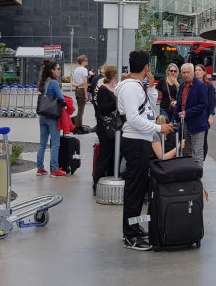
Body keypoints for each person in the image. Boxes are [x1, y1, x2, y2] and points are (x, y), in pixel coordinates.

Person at [115, 50, 173, 251]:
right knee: (134, 190)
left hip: (142, 141)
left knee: (139, 191)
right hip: (135, 142)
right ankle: (130, 235)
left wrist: (151, 87)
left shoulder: (139, 86)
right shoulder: (130, 88)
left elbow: (148, 108)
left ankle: (134, 227)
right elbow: (133, 118)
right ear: (146, 67)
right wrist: (159, 128)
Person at [172, 63, 208, 168]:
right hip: (184, 125)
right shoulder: (182, 85)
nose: (186, 74)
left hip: (197, 124)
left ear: (193, 72)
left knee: (197, 154)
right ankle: (188, 178)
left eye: (188, 72)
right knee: (186, 152)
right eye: (184, 72)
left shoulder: (200, 85)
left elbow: (203, 104)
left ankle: (198, 178)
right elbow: (178, 104)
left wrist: (187, 113)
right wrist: (173, 120)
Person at [37, 59, 68, 177]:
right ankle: (55, 170)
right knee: (55, 143)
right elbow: (61, 98)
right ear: (52, 70)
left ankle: (40, 168)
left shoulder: (44, 81)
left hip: (42, 115)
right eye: (58, 69)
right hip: (52, 116)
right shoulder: (54, 82)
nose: (59, 71)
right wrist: (65, 105)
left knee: (42, 144)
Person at [92, 65, 118, 195]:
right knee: (105, 154)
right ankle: (96, 183)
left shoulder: (115, 89)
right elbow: (102, 109)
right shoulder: (103, 89)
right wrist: (116, 102)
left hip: (114, 127)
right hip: (104, 127)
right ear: (113, 76)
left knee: (114, 154)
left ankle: (110, 180)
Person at [194, 63, 216, 160]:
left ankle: (202, 160)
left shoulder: (209, 85)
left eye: (199, 70)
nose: (197, 72)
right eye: (196, 70)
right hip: (194, 115)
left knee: (203, 139)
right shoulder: (192, 84)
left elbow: (212, 101)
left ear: (204, 72)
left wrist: (211, 115)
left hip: (204, 115)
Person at [71, 54, 89, 131]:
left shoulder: (76, 70)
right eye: (86, 60)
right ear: (82, 61)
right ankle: (78, 127)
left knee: (79, 108)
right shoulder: (84, 70)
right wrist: (86, 94)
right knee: (81, 110)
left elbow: (73, 83)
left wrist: (78, 84)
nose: (87, 61)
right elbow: (85, 83)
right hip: (82, 90)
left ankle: (78, 125)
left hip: (77, 90)